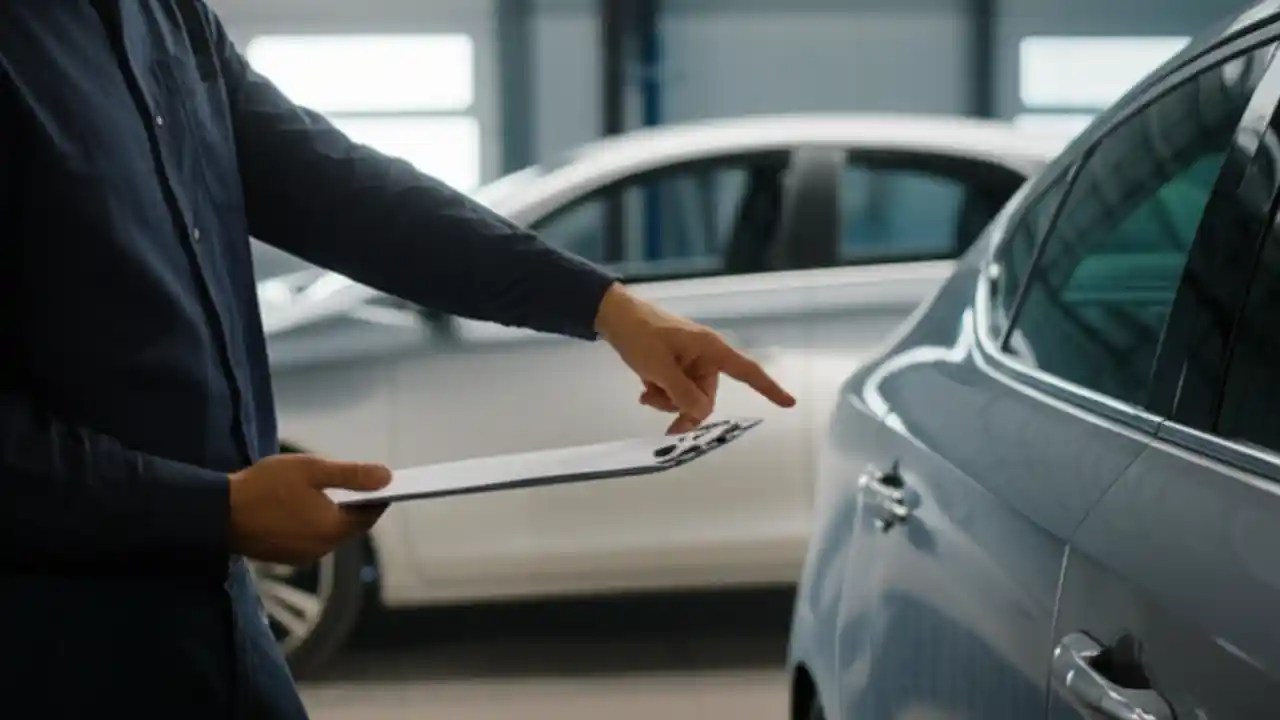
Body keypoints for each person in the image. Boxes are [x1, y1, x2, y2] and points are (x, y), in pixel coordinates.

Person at [0, 2, 795, 718]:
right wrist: (210, 508)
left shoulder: (164, 17)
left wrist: (606, 307)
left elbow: (344, 192)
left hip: (216, 619)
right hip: (50, 641)